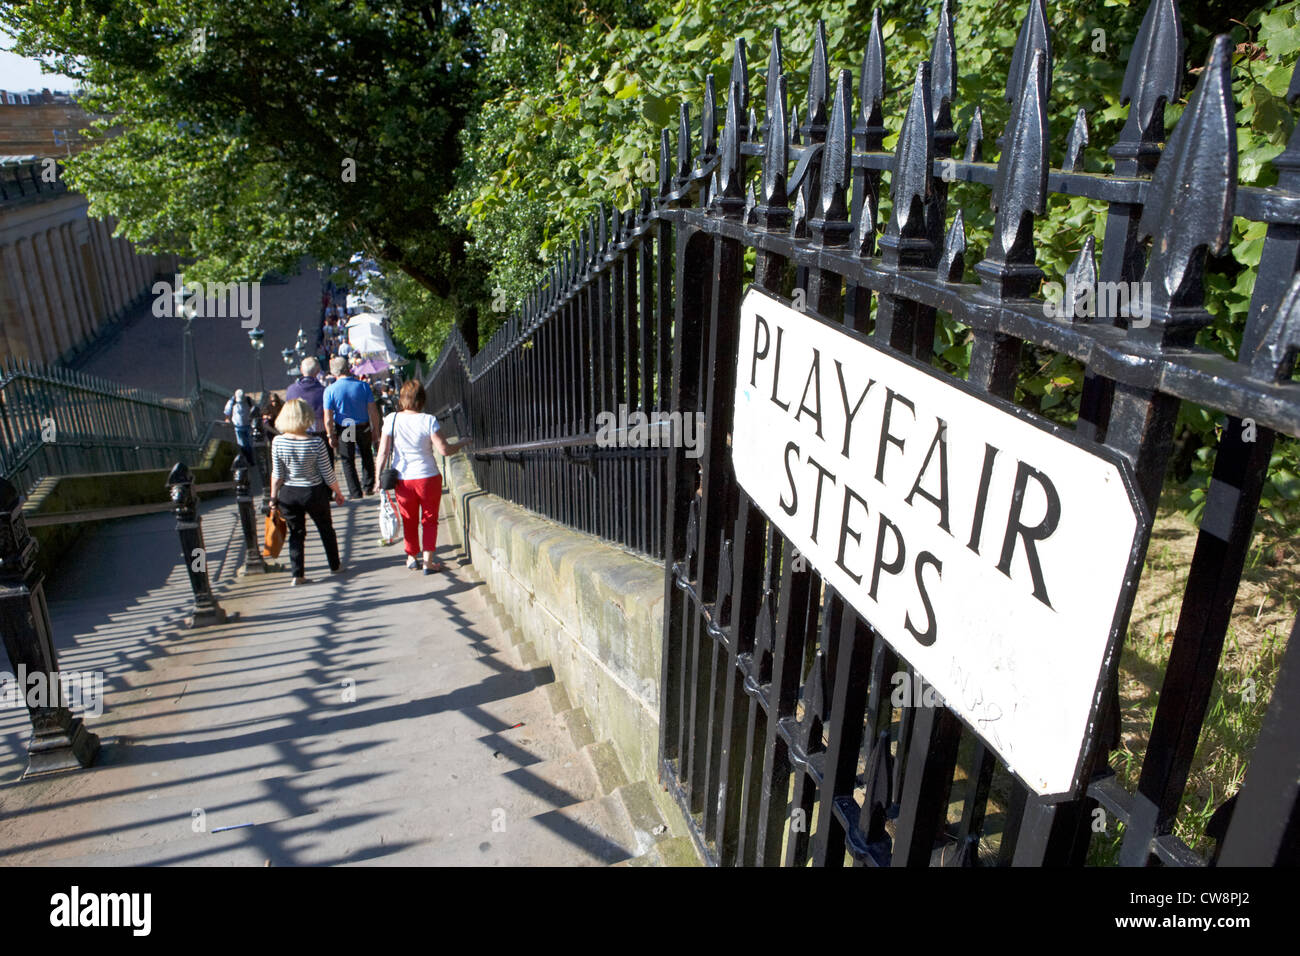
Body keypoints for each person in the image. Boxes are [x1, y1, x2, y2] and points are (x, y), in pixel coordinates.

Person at [373, 379, 470, 574]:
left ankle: (411, 557)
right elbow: (444, 450)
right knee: (430, 519)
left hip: (403, 479)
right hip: (428, 477)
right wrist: (462, 443)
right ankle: (428, 561)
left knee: (408, 519)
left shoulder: (391, 419)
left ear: (402, 399)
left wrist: (377, 478)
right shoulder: (428, 420)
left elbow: (382, 451)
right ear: (421, 399)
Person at [270, 398, 346, 585]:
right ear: (306, 417)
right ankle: (335, 565)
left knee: (296, 533)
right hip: (313, 491)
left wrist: (273, 497)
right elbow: (327, 473)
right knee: (325, 528)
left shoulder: (278, 442)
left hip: (289, 492)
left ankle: (297, 573)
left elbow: (277, 474)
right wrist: (337, 492)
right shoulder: (316, 443)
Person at [324, 355, 380, 499]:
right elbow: (373, 411)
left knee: (347, 459)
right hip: (363, 425)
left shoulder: (330, 390)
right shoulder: (362, 386)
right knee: (366, 454)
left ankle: (355, 491)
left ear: (334, 372)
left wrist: (330, 435)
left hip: (346, 427)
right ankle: (368, 486)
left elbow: (328, 417)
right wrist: (376, 429)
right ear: (348, 369)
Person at [286, 356, 332, 463]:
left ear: (301, 370)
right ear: (317, 372)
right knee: (326, 468)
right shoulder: (324, 391)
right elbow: (328, 415)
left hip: (299, 436)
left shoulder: (291, 390)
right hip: (320, 437)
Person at [224, 388, 257, 464]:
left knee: (249, 443)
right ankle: (247, 458)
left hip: (248, 425)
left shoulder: (248, 400)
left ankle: (250, 458)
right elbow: (227, 411)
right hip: (238, 427)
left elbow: (254, 409)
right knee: (242, 444)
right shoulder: (232, 402)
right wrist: (227, 419)